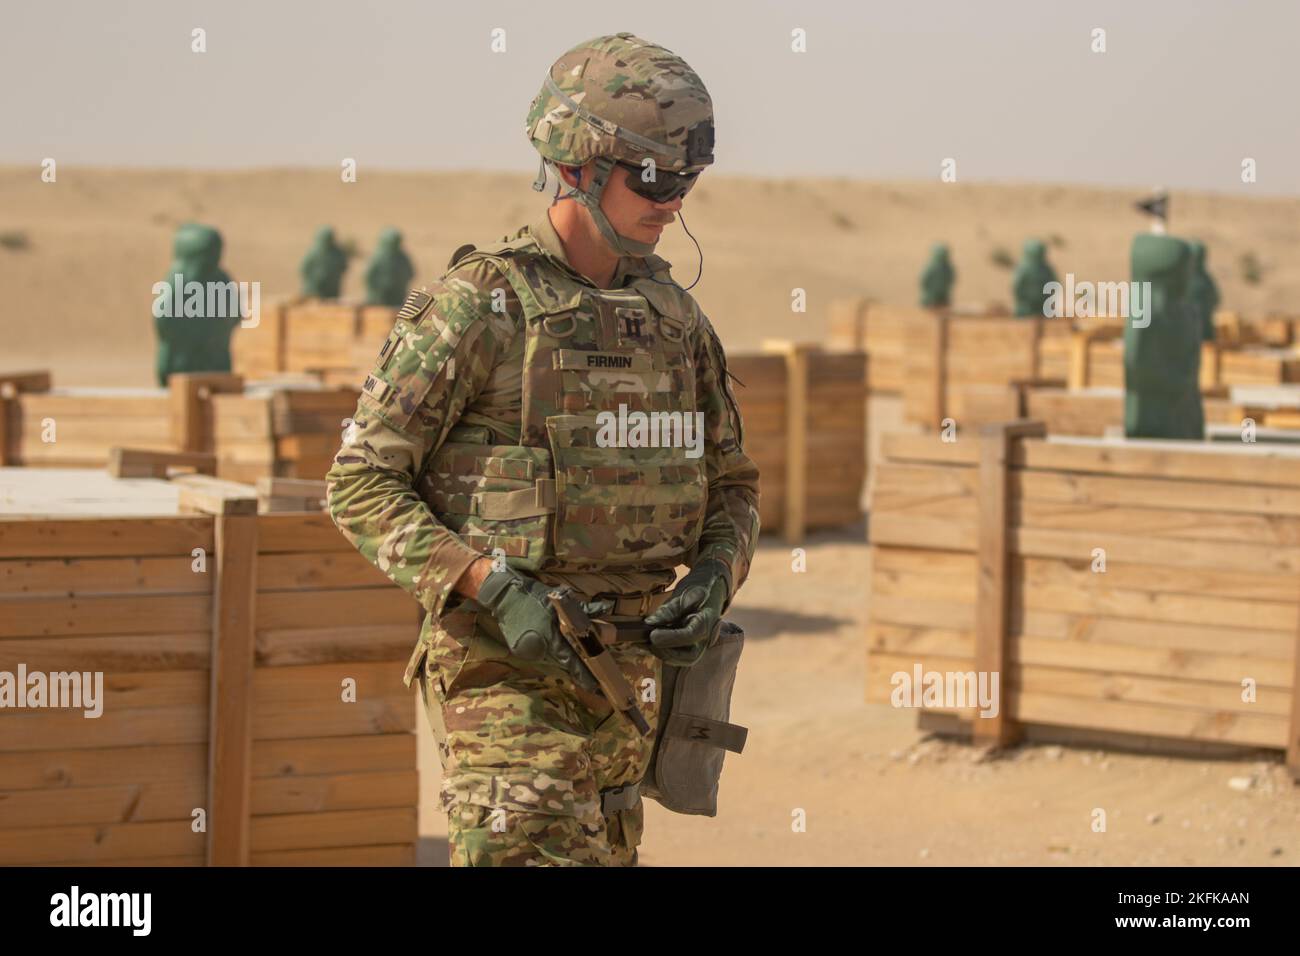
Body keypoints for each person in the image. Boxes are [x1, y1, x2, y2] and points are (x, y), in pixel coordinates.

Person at [325, 32, 759, 866]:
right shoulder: (479, 309)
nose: (672, 200)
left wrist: (713, 577)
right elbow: (362, 485)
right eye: (654, 176)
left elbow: (734, 486)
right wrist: (490, 586)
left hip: (630, 687)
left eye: (687, 180)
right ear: (579, 165)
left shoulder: (675, 322)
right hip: (505, 679)